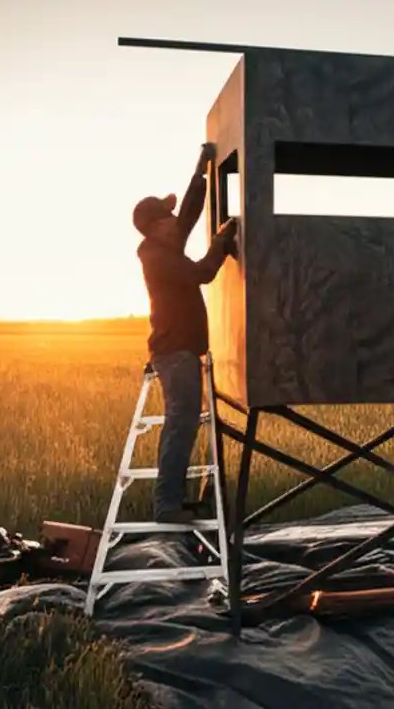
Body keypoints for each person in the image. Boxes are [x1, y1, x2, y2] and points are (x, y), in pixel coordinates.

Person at [133, 142, 237, 524]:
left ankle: (174, 503)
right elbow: (203, 273)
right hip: (175, 353)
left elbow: (191, 211)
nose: (174, 220)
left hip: (180, 351)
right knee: (181, 425)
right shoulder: (159, 258)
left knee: (183, 423)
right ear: (156, 225)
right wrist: (223, 242)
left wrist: (203, 166)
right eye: (167, 215)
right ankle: (167, 507)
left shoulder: (164, 244)